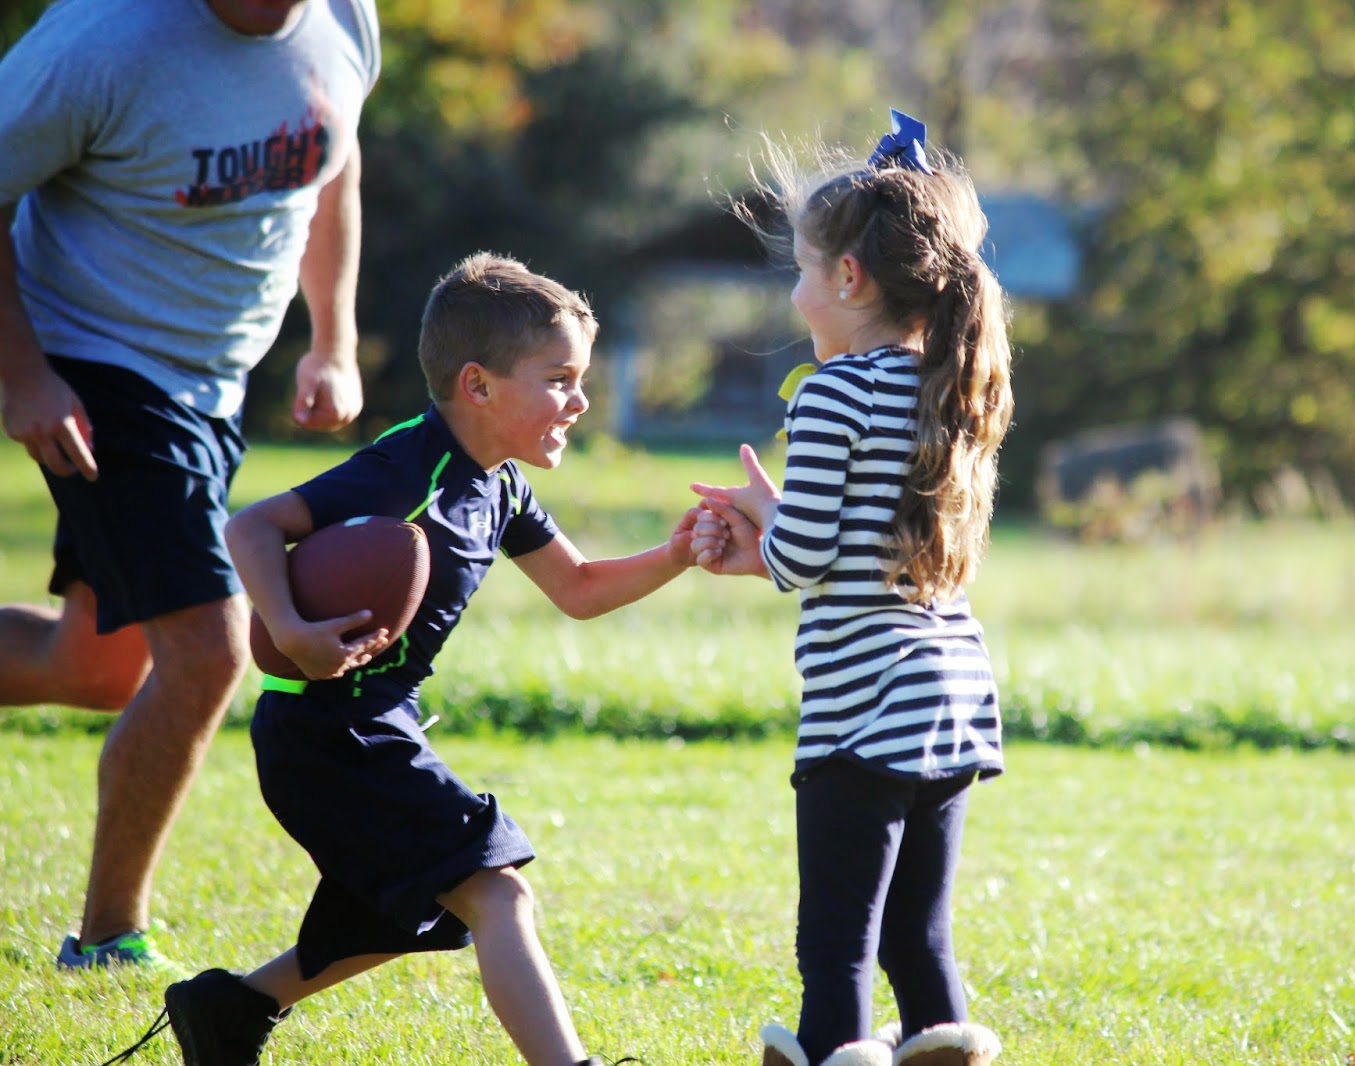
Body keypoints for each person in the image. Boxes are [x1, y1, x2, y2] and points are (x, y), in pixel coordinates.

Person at [110, 252, 682, 1066]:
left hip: (372, 724)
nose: (580, 400)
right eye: (559, 378)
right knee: (495, 889)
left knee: (408, 907)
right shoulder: (402, 469)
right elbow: (251, 527)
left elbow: (581, 586)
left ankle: (232, 1008)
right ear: (478, 386)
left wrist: (680, 553)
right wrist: (290, 630)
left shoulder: (501, 484)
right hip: (327, 730)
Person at [0, 0, 380, 969]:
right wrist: (25, 374)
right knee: (209, 651)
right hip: (97, 361)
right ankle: (106, 937)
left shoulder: (345, 20)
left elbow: (335, 163)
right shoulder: (102, 41)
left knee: (93, 668)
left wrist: (331, 339)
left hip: (212, 381)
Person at [689, 111, 1008, 1066]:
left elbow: (803, 556)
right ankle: (936, 1047)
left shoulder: (832, 391)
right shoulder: (946, 385)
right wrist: (772, 536)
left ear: (848, 278)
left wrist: (763, 517)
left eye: (798, 270)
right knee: (923, 936)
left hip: (862, 706)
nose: (794, 293)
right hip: (949, 697)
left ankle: (833, 1053)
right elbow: (860, 547)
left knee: (835, 942)